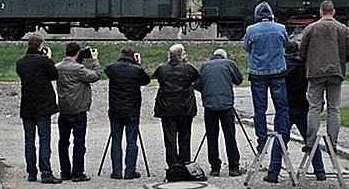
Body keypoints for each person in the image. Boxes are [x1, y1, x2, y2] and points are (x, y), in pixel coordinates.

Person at [242, 0, 290, 184]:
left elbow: (247, 48)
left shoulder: (251, 30)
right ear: (271, 15)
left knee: (259, 109)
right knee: (281, 107)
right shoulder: (280, 28)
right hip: (278, 71)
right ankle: (281, 133)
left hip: (258, 73)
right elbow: (286, 44)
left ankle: (262, 138)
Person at [299, 0, 349, 153]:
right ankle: (333, 143)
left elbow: (302, 52)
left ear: (320, 12)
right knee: (334, 109)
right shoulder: (343, 29)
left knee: (314, 108)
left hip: (315, 73)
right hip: (335, 72)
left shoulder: (310, 29)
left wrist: (310, 62)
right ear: (334, 12)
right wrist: (340, 61)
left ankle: (310, 142)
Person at [15, 33, 60, 184]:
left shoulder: (20, 62)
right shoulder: (43, 61)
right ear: (40, 46)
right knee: (44, 140)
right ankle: (46, 173)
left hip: (27, 105)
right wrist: (48, 58)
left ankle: (31, 173)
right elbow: (54, 75)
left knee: (29, 140)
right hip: (43, 106)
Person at [193, 48, 244, 177]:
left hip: (209, 106)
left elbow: (197, 84)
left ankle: (215, 167)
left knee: (212, 137)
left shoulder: (204, 66)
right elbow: (239, 80)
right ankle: (234, 167)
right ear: (224, 56)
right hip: (226, 105)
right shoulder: (229, 64)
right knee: (230, 136)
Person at [55, 42, 101, 182]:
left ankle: (65, 171)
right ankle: (78, 172)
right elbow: (95, 75)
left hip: (64, 108)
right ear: (77, 53)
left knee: (63, 141)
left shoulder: (58, 67)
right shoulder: (78, 69)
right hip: (78, 109)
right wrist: (94, 60)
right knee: (79, 141)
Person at [104, 46, 151, 180]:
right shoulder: (136, 70)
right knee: (131, 141)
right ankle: (130, 170)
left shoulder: (113, 68)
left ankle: (116, 171)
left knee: (116, 140)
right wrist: (138, 64)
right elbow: (146, 81)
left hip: (116, 109)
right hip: (132, 109)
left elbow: (107, 71)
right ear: (133, 56)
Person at [284, 40, 326, 181]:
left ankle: (273, 171)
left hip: (287, 107)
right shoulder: (305, 66)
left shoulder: (282, 66)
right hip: (304, 107)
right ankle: (320, 171)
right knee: (311, 140)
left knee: (280, 141)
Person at [153, 43, 199, 173]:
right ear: (181, 55)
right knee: (185, 137)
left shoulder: (162, 68)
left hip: (167, 108)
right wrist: (186, 62)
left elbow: (157, 77)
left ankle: (173, 164)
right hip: (185, 107)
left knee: (169, 137)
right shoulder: (188, 68)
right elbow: (195, 77)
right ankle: (185, 162)